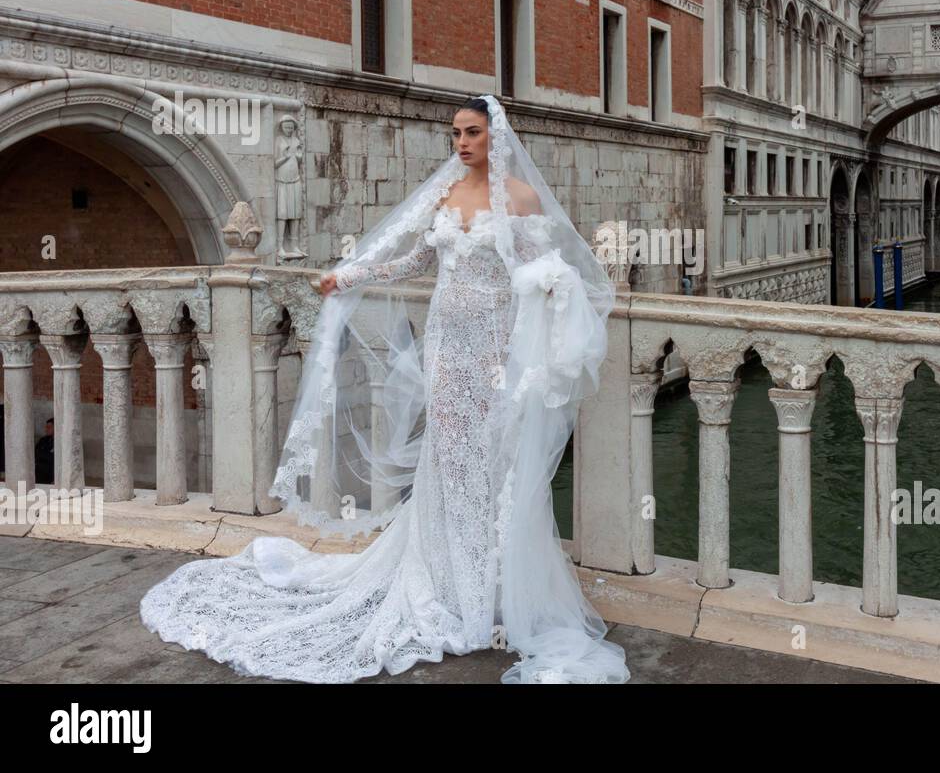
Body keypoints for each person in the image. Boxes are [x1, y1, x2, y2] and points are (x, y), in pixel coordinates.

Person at [139, 94, 629, 684]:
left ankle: (494, 585)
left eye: (472, 133)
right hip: (447, 350)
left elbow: (546, 277)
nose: (463, 143)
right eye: (456, 134)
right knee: (448, 463)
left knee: (493, 465)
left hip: (495, 355)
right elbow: (416, 261)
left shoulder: (520, 201)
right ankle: (449, 580)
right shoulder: (449, 195)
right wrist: (353, 275)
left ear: (496, 139)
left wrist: (541, 316)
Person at [34, 417, 54, 484]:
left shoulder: (61, 441)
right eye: (46, 427)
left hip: (50, 474)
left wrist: (42, 454)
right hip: (39, 472)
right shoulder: (43, 440)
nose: (46, 429)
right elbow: (35, 454)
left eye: (49, 427)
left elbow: (53, 458)